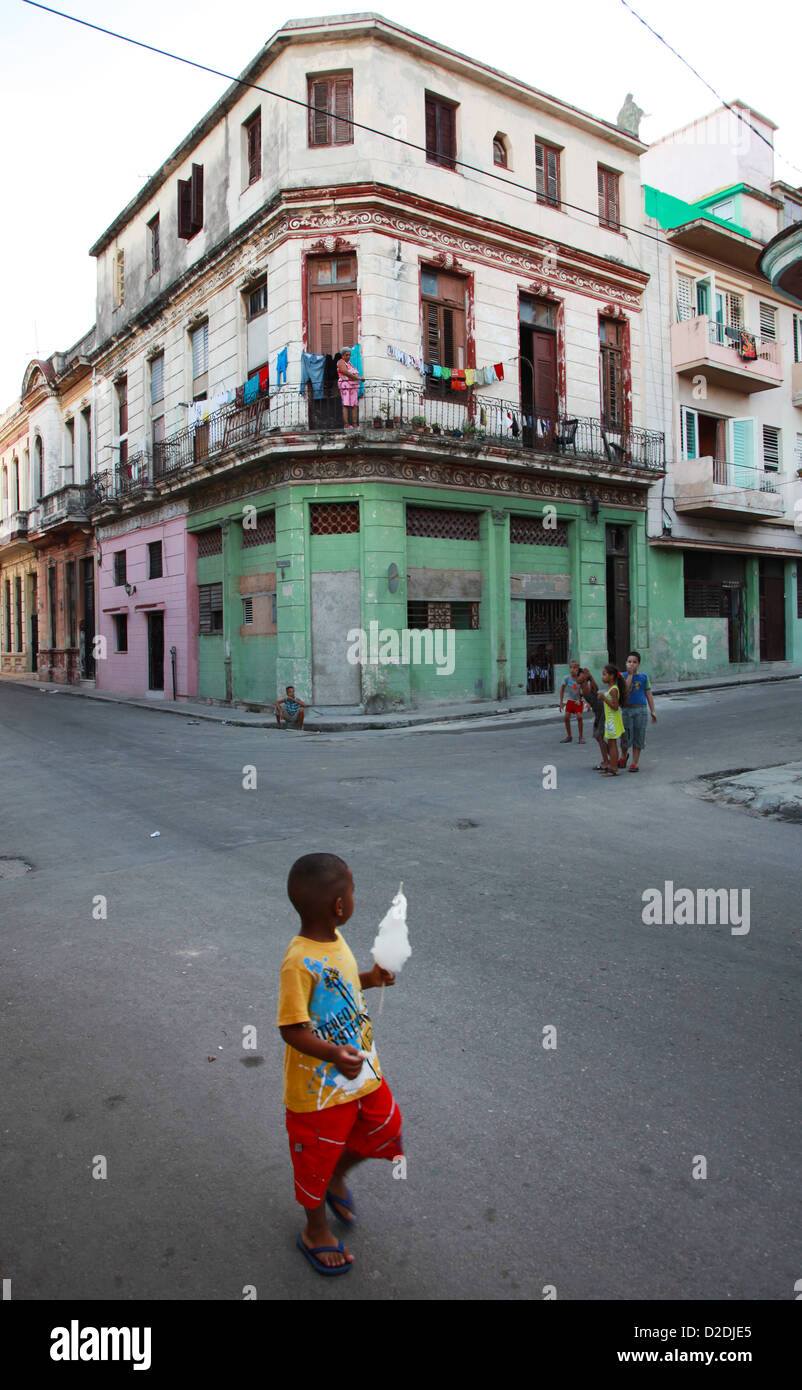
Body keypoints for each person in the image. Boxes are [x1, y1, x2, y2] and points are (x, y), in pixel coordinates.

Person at [277, 853, 402, 1274]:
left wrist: (371, 977)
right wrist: (332, 1054)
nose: (355, 898)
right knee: (314, 1159)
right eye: (352, 892)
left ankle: (336, 1176)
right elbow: (291, 1029)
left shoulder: (334, 940)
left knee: (385, 1124)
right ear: (339, 906)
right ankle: (314, 1230)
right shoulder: (298, 960)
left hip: (360, 1070)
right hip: (319, 1091)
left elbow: (343, 985)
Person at [619, 650, 657, 772]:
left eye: (634, 662)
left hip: (640, 709)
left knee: (639, 735)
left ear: (639, 664)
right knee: (626, 735)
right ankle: (623, 756)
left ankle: (635, 763)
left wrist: (653, 711)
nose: (632, 664)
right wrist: (630, 675)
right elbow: (624, 690)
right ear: (626, 663)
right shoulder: (622, 676)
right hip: (627, 709)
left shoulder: (644, 677)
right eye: (629, 662)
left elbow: (648, 694)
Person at [576, 667, 608, 771]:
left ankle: (606, 762)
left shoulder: (589, 686)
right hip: (598, 712)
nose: (577, 677)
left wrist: (591, 676)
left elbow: (596, 688)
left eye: (579, 675)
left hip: (602, 711)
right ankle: (611, 757)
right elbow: (579, 695)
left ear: (584, 676)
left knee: (599, 736)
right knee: (598, 736)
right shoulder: (581, 688)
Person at [598, 664, 627, 775]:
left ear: (611, 676)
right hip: (610, 719)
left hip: (612, 719)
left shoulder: (613, 690)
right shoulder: (610, 688)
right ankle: (612, 766)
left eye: (605, 674)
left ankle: (614, 768)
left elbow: (615, 706)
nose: (602, 677)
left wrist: (604, 698)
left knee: (613, 744)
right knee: (611, 743)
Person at [559, 659, 585, 743]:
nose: (572, 670)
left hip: (578, 700)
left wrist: (580, 699)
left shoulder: (580, 678)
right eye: (570, 667)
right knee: (566, 717)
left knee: (579, 717)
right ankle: (569, 736)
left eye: (574, 668)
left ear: (578, 669)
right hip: (570, 700)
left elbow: (583, 691)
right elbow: (562, 689)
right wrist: (561, 702)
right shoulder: (567, 678)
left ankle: (581, 736)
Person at [336, 347, 361, 430]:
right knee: (346, 404)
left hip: (353, 386)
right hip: (345, 385)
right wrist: (357, 378)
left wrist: (358, 378)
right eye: (346, 355)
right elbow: (344, 371)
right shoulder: (340, 362)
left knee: (354, 405)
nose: (348, 356)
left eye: (349, 355)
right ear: (342, 356)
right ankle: (346, 424)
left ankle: (354, 424)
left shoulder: (350, 364)